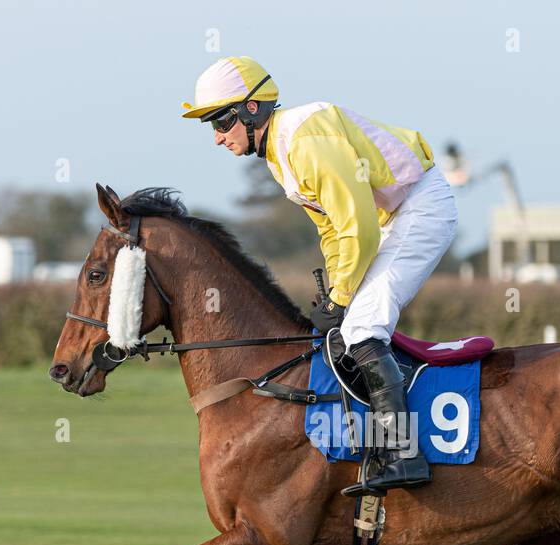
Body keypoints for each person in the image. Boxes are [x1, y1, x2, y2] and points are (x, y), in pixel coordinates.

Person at [182, 56, 458, 496]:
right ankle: (375, 442)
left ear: (252, 110)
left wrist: (343, 297)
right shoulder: (279, 155)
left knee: (363, 326)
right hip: (393, 215)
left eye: (221, 121)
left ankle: (404, 454)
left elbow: (359, 227)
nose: (217, 137)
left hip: (418, 209)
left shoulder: (303, 140)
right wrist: (334, 289)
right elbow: (331, 229)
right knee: (347, 328)